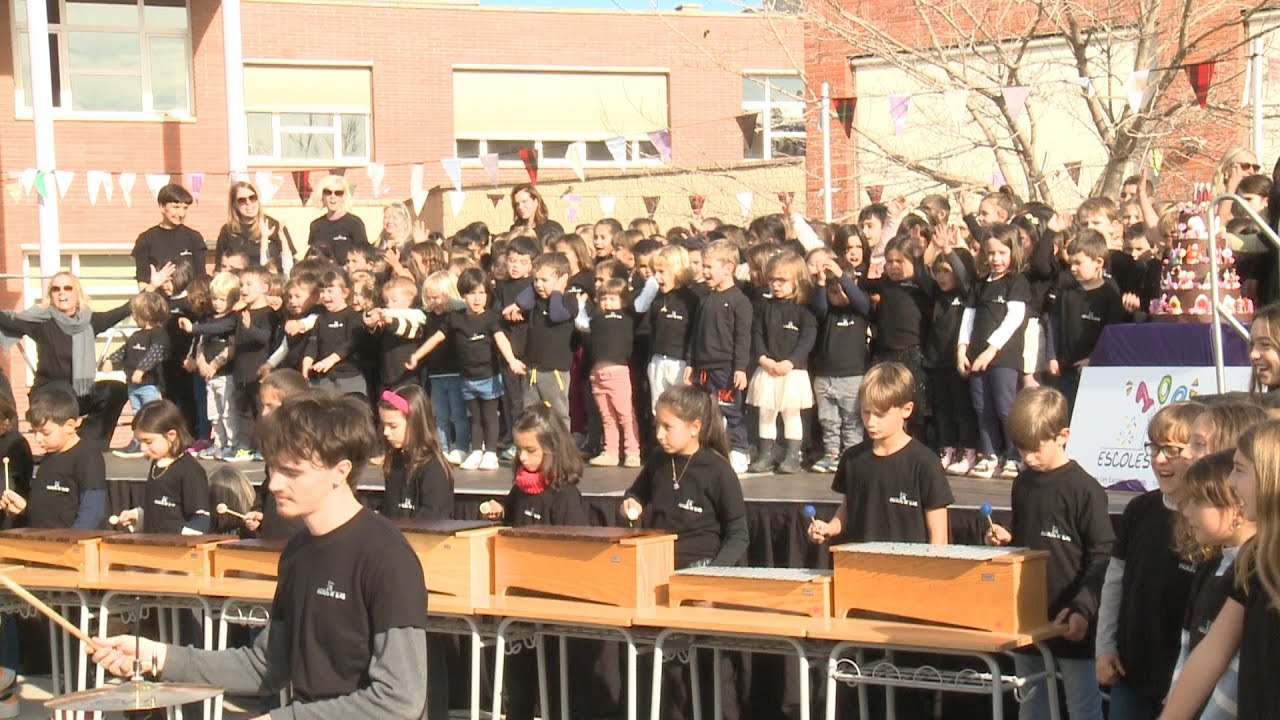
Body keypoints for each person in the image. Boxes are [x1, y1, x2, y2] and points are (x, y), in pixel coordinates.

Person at [90, 391, 430, 719]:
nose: (274, 485)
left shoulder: (387, 557)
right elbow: (265, 665)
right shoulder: (297, 552)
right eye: (272, 469)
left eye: (292, 473)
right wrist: (159, 656)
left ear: (340, 471)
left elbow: (399, 700)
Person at [985, 387, 1113, 720]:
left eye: (1035, 449)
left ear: (1063, 436)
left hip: (1070, 617)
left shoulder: (1085, 490)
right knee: (1031, 698)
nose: (1027, 458)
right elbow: (1030, 540)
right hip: (1030, 613)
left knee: (1083, 703)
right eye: (1021, 449)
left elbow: (1101, 554)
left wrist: (1083, 608)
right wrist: (1007, 538)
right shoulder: (1023, 484)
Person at [1160, 420, 1280, 719]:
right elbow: (1212, 652)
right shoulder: (1256, 557)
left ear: (1271, 476)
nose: (1230, 483)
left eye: (1240, 470)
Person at [1095, 401, 1204, 720]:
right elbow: (1114, 584)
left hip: (1185, 678)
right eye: (1154, 447)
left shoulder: (1210, 523)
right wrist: (1104, 648)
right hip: (1131, 673)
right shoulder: (1139, 510)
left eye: (1171, 450)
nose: (1159, 459)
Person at [478, 405, 587, 720]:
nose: (522, 458)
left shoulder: (565, 495)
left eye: (531, 450)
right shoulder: (520, 488)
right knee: (519, 682)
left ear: (552, 450)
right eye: (519, 449)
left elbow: (574, 550)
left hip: (553, 604)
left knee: (555, 686)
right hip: (520, 599)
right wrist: (498, 512)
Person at [0, 269, 172, 451]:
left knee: (116, 389)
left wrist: (151, 286)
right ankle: (67, 447)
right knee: (64, 390)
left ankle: (89, 443)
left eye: (68, 288)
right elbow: (7, 319)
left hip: (79, 393)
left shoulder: (89, 322)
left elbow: (122, 310)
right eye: (56, 289)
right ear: (50, 294)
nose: (62, 293)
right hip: (49, 395)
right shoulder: (41, 321)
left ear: (77, 294)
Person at [808, 362, 953, 545]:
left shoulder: (925, 463)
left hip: (908, 568)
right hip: (860, 565)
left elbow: (939, 537)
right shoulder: (853, 458)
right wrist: (830, 527)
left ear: (906, 410)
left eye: (880, 415)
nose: (870, 422)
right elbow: (847, 509)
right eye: (866, 412)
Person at [1167, 450, 1252, 720]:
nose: (1187, 511)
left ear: (1236, 506)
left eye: (1198, 501)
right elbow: (1189, 650)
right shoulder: (1210, 568)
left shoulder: (1253, 574)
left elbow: (1236, 675)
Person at [958, 224, 1032, 479]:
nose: (995, 259)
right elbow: (968, 318)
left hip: (1004, 356)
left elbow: (1014, 318)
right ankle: (990, 454)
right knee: (981, 406)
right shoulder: (980, 284)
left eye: (1002, 253)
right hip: (976, 356)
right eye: (990, 253)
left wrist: (991, 350)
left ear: (1013, 251)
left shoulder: (1017, 282)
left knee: (1004, 406)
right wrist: (961, 349)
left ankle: (1014, 455)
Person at [685, 239, 753, 473]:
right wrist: (690, 362)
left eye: (708, 267)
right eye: (702, 266)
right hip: (704, 367)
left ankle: (739, 449)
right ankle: (710, 449)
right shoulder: (704, 299)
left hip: (726, 367)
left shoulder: (739, 301)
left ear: (728, 268)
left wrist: (740, 368)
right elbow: (695, 333)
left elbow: (743, 338)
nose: (704, 272)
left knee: (730, 409)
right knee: (705, 410)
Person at [746, 251, 817, 474]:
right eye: (772, 280)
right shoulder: (765, 307)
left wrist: (792, 362)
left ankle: (793, 454)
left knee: (791, 413)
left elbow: (808, 338)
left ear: (797, 281)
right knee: (766, 412)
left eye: (782, 280)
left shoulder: (804, 310)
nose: (776, 285)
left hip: (792, 372)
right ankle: (767, 452)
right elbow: (757, 333)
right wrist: (763, 358)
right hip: (768, 368)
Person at [0, 387, 105, 529]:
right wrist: (25, 508)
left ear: (70, 426)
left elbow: (92, 511)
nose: (38, 439)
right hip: (43, 543)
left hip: (68, 546)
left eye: (45, 433)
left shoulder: (88, 457)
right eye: (35, 432)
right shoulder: (49, 458)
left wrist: (72, 540)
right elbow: (48, 511)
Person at [1047, 230, 1125, 411]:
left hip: (1096, 371)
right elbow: (1054, 323)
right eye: (1070, 262)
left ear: (1098, 262)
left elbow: (1113, 334)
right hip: (1066, 369)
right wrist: (1051, 356)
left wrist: (1094, 358)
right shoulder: (1066, 291)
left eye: (1078, 263)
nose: (1072, 268)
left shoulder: (1110, 294)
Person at [114, 400, 210, 535]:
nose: (142, 448)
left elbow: (200, 519)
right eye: (140, 442)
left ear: (171, 435)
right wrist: (138, 515)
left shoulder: (191, 471)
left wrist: (181, 541)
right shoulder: (156, 465)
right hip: (154, 547)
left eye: (148, 442)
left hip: (178, 551)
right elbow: (160, 510)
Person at [243, 369, 310, 541]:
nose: (264, 413)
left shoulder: (311, 448)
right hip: (273, 536)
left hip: (301, 537)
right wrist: (259, 511)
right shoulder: (274, 445)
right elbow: (268, 487)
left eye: (270, 406)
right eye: (262, 406)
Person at [181, 271, 240, 460]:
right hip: (209, 376)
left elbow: (229, 346)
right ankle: (219, 444)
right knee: (213, 413)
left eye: (222, 299)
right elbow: (201, 343)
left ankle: (232, 444)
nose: (217, 303)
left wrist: (214, 365)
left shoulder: (232, 319)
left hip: (225, 374)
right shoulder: (208, 319)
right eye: (214, 299)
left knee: (227, 412)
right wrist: (201, 363)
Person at [515, 252, 578, 429]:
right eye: (536, 280)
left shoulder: (568, 300)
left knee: (557, 413)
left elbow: (557, 315)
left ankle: (562, 451)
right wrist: (535, 285)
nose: (538, 285)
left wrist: (557, 290)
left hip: (554, 369)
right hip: (533, 368)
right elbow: (522, 301)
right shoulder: (536, 299)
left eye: (544, 280)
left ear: (562, 279)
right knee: (530, 413)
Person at [106, 291, 171, 458]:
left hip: (150, 384)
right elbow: (124, 351)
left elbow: (157, 352)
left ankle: (159, 442)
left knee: (153, 413)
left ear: (146, 313)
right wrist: (111, 360)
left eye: (136, 313)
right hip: (134, 386)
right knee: (137, 414)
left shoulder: (158, 333)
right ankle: (138, 441)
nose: (134, 316)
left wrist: (142, 369)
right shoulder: (135, 335)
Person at [585, 278, 643, 468]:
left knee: (625, 414)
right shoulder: (596, 319)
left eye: (612, 298)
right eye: (603, 299)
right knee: (607, 416)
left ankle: (632, 451)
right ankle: (610, 451)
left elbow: (642, 302)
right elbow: (583, 324)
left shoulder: (626, 317)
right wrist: (578, 306)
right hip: (597, 373)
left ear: (623, 301)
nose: (607, 303)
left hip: (617, 373)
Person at [378, 384, 453, 520]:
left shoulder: (434, 469)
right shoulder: (395, 461)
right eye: (383, 425)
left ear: (415, 423)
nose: (386, 432)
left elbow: (434, 519)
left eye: (393, 426)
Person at [228, 267, 279, 462]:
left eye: (249, 284)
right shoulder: (242, 312)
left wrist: (250, 327)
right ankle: (243, 446)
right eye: (242, 284)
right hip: (242, 371)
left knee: (262, 411)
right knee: (244, 411)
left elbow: (265, 338)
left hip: (259, 372)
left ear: (265, 288)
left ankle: (262, 446)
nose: (244, 289)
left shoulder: (268, 314)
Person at [646, 245, 700, 414]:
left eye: (662, 272)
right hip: (657, 360)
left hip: (679, 362)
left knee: (681, 409)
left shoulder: (691, 300)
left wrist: (690, 363)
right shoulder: (657, 299)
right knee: (658, 407)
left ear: (677, 271)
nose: (657, 277)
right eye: (656, 271)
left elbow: (694, 334)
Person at [302, 269, 367, 397]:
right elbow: (313, 344)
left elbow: (351, 343)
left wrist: (330, 360)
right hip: (325, 379)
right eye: (322, 291)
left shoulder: (353, 316)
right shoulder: (321, 319)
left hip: (349, 377)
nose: (325, 296)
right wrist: (307, 362)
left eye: (330, 291)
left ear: (345, 293)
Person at [131, 183, 205, 290]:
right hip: (157, 301)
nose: (181, 214)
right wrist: (154, 286)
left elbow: (200, 280)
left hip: (188, 302)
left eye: (185, 208)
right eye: (176, 207)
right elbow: (143, 285)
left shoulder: (194, 238)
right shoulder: (146, 240)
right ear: (162, 207)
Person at [217, 180, 292, 274]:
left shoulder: (274, 226)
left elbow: (290, 260)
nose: (248, 203)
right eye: (242, 200)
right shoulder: (228, 231)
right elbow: (219, 268)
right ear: (234, 204)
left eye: (252, 197)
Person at [307, 175, 368, 263]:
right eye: (328, 192)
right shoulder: (316, 225)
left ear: (344, 197)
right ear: (322, 196)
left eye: (338, 193)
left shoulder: (355, 223)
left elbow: (363, 255)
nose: (333, 196)